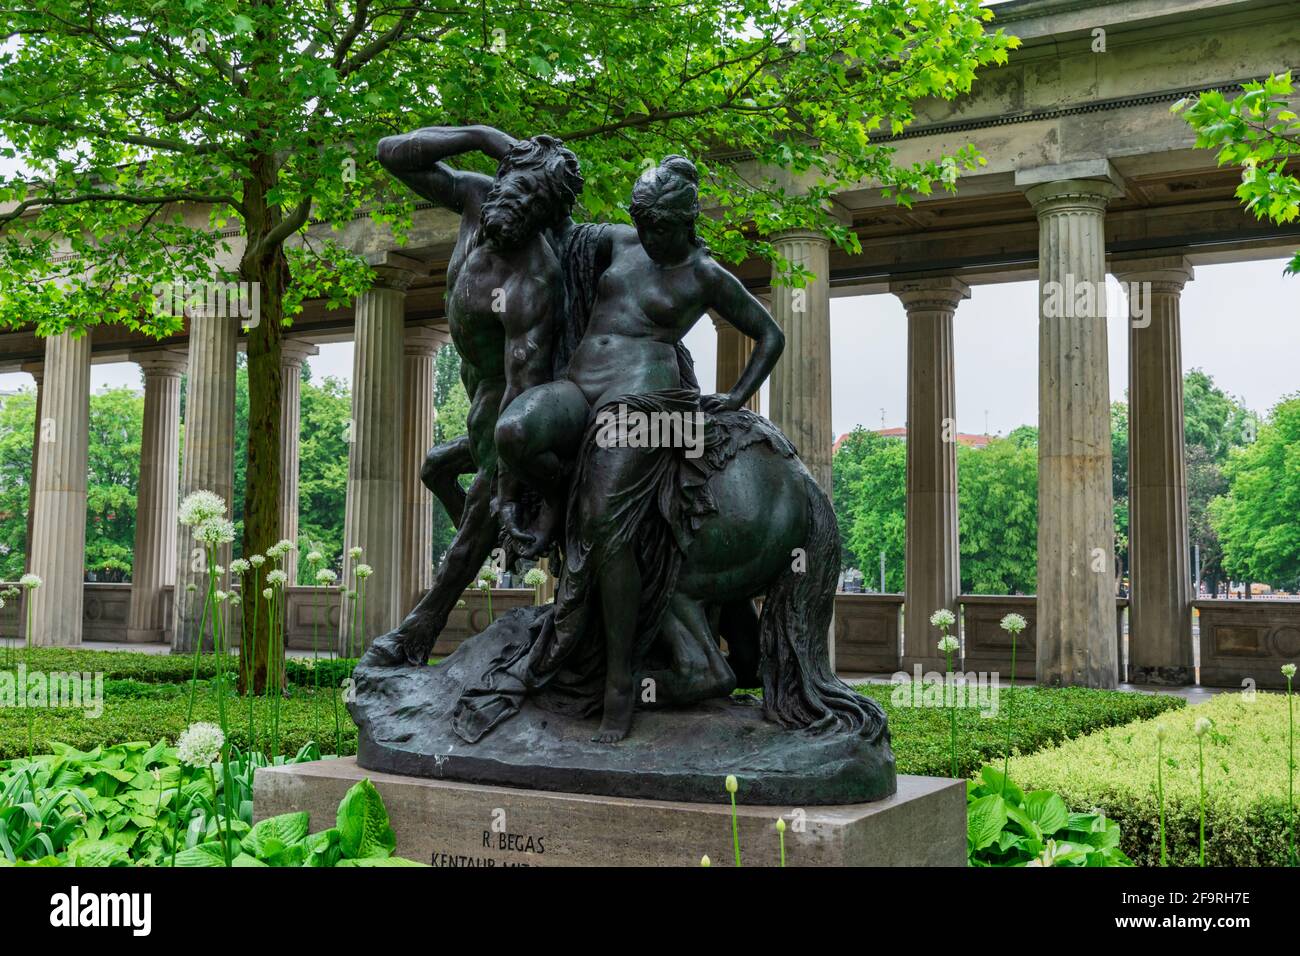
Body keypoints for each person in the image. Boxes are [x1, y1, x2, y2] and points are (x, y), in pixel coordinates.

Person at [469, 156, 785, 742]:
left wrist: (737, 398)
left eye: (657, 225)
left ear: (685, 220)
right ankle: (558, 505)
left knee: (606, 530)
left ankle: (619, 684)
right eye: (641, 221)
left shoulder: (706, 273)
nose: (646, 234)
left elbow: (771, 333)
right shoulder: (617, 242)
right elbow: (555, 229)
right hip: (582, 384)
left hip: (645, 405)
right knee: (512, 433)